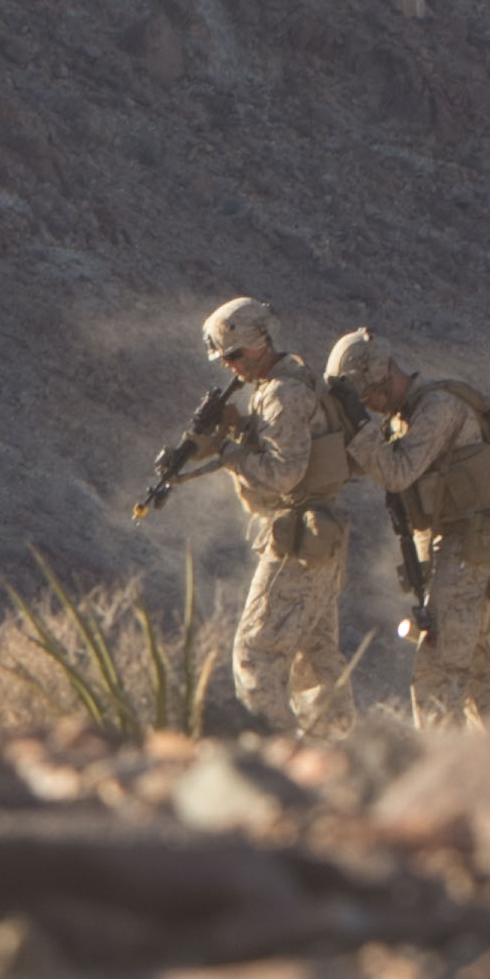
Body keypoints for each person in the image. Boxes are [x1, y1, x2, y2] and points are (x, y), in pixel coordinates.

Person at [331, 329, 490, 728]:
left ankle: (438, 765)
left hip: (465, 551)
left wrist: (359, 429)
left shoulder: (437, 408)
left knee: (437, 672)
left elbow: (397, 472)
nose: (371, 407)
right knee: (478, 669)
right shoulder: (409, 415)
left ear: (382, 375)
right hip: (459, 549)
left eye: (367, 396)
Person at [188, 298, 360, 735]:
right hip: (317, 538)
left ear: (258, 344)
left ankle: (278, 757)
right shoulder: (285, 385)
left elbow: (284, 474)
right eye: (224, 358)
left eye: (235, 355)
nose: (230, 366)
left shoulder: (282, 393)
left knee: (256, 655)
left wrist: (227, 452)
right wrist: (234, 433)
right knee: (316, 658)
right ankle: (340, 753)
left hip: (300, 538)